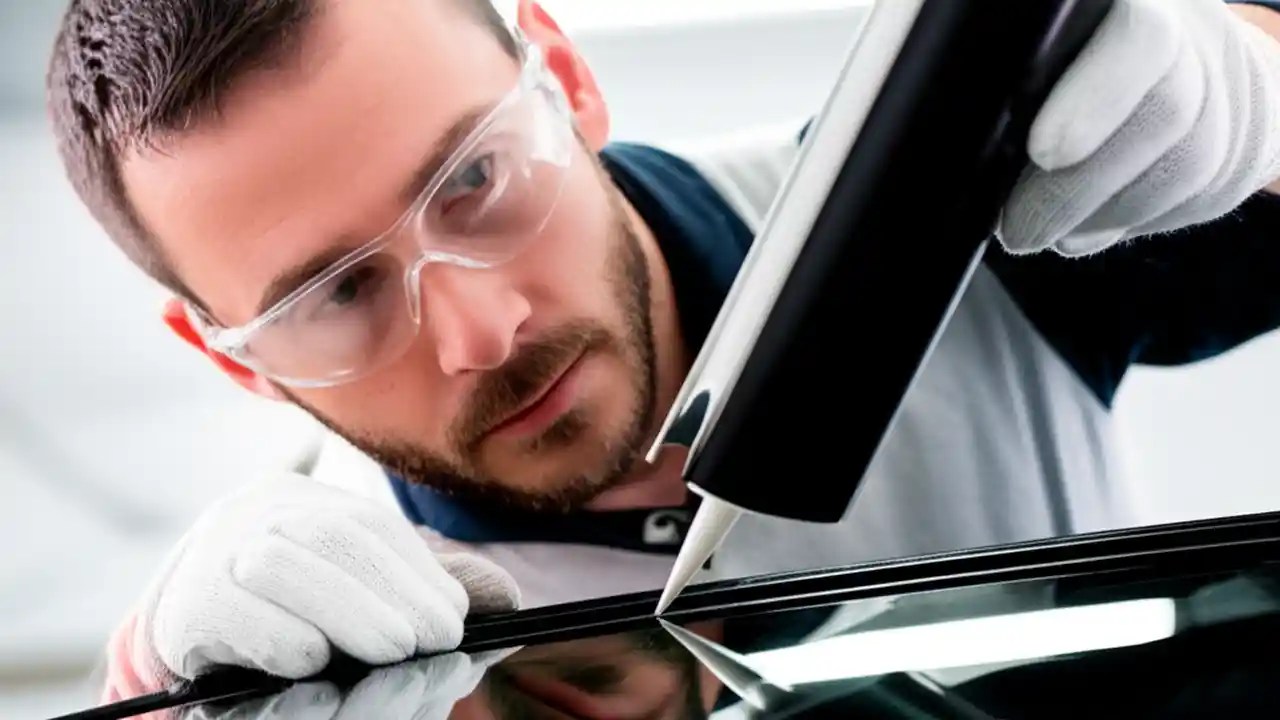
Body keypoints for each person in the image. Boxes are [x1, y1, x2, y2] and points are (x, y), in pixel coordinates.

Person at [42, 0, 1280, 705]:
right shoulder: (325, 632)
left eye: (475, 176)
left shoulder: (943, 216)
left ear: (568, 76)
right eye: (338, 295)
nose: (482, 332)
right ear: (237, 365)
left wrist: (1259, 75)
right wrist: (156, 685)